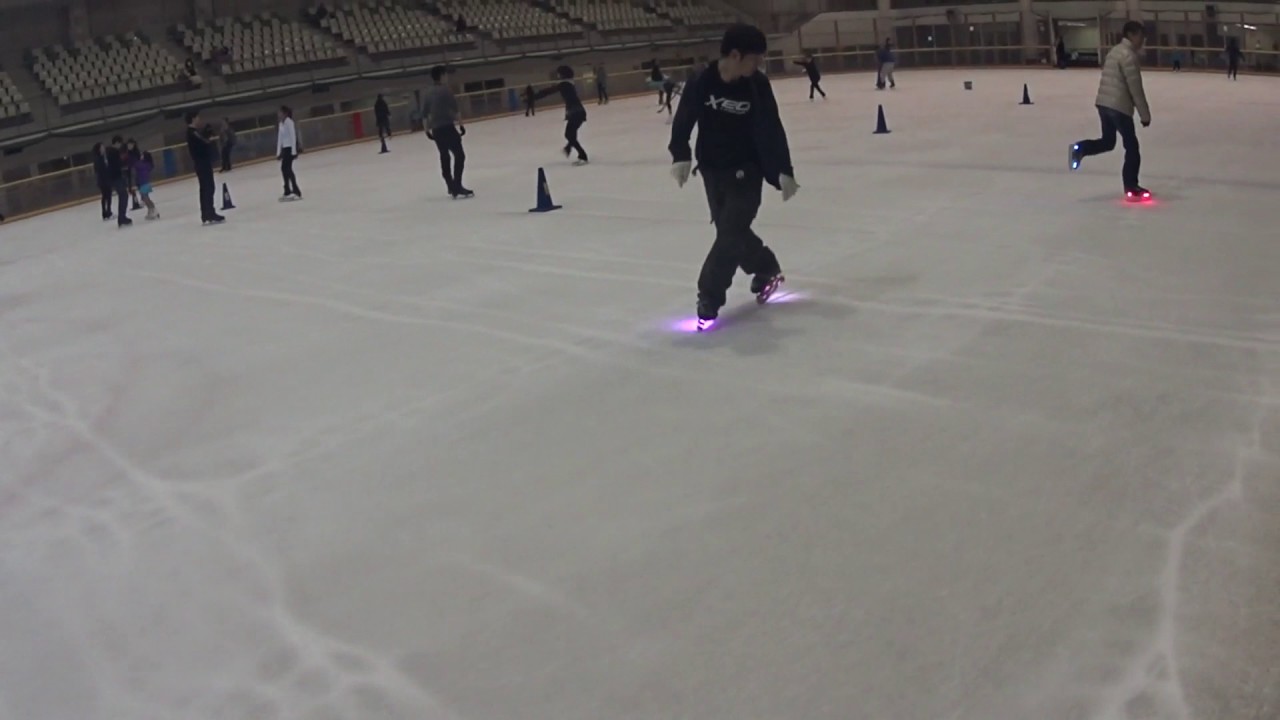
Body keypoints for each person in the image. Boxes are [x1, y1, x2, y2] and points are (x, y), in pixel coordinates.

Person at [668, 23, 797, 330]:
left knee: (730, 233)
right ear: (735, 55)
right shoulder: (702, 80)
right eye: (756, 58)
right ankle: (765, 267)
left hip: (746, 171)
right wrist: (681, 153)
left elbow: (771, 127)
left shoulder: (756, 85)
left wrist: (784, 170)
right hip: (712, 170)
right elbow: (684, 117)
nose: (760, 64)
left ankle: (709, 297)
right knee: (732, 233)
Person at [1070, 20, 1152, 200]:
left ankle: (1081, 148)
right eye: (1140, 36)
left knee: (1108, 142)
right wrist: (1145, 115)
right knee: (1132, 147)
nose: (1142, 40)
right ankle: (1131, 186)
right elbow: (1135, 88)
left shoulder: (1115, 51)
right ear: (1131, 35)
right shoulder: (1129, 56)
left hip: (1104, 103)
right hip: (1118, 106)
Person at [423, 65, 472, 198]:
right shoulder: (446, 91)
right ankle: (457, 185)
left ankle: (450, 185)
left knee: (444, 156)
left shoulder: (427, 93)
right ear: (442, 75)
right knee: (459, 155)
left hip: (437, 130)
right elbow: (455, 110)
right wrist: (461, 125)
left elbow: (425, 114)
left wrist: (427, 129)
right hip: (447, 127)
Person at [534, 65, 588, 165]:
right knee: (570, 134)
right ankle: (576, 151)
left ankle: (582, 155)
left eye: (559, 73)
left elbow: (549, 91)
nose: (558, 75)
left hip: (576, 112)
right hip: (576, 112)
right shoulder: (568, 83)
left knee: (569, 134)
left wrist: (534, 97)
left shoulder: (565, 84)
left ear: (563, 74)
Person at [186, 110, 223, 224]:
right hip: (202, 163)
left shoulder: (193, 132)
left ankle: (207, 213)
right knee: (208, 187)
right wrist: (209, 138)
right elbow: (203, 142)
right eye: (197, 117)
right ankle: (209, 213)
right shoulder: (192, 132)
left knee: (205, 188)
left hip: (201, 163)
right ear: (193, 118)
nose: (199, 120)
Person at [277, 105, 302, 200]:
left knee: (287, 169)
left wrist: (294, 151)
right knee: (284, 169)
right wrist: (278, 152)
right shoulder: (281, 124)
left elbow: (293, 136)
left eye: (280, 112)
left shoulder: (289, 122)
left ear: (285, 113)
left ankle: (296, 190)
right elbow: (280, 138)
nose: (278, 114)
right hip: (285, 149)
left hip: (290, 148)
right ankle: (287, 190)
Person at [105, 135, 131, 227]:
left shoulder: (109, 152)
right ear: (117, 143)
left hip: (114, 177)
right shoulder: (114, 152)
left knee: (123, 196)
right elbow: (117, 164)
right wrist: (123, 162)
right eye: (120, 144)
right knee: (124, 196)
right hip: (116, 177)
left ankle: (122, 217)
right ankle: (122, 218)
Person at [92, 142, 113, 221]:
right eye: (102, 147)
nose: (103, 148)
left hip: (104, 180)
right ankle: (107, 212)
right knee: (106, 196)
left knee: (106, 196)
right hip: (103, 180)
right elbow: (100, 170)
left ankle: (107, 212)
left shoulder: (103, 157)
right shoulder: (98, 159)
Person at [136, 150, 158, 220]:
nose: (141, 156)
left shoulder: (144, 164)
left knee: (145, 198)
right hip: (143, 183)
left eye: (142, 155)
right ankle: (151, 210)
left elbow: (137, 165)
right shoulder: (145, 164)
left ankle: (153, 210)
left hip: (144, 183)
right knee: (145, 198)